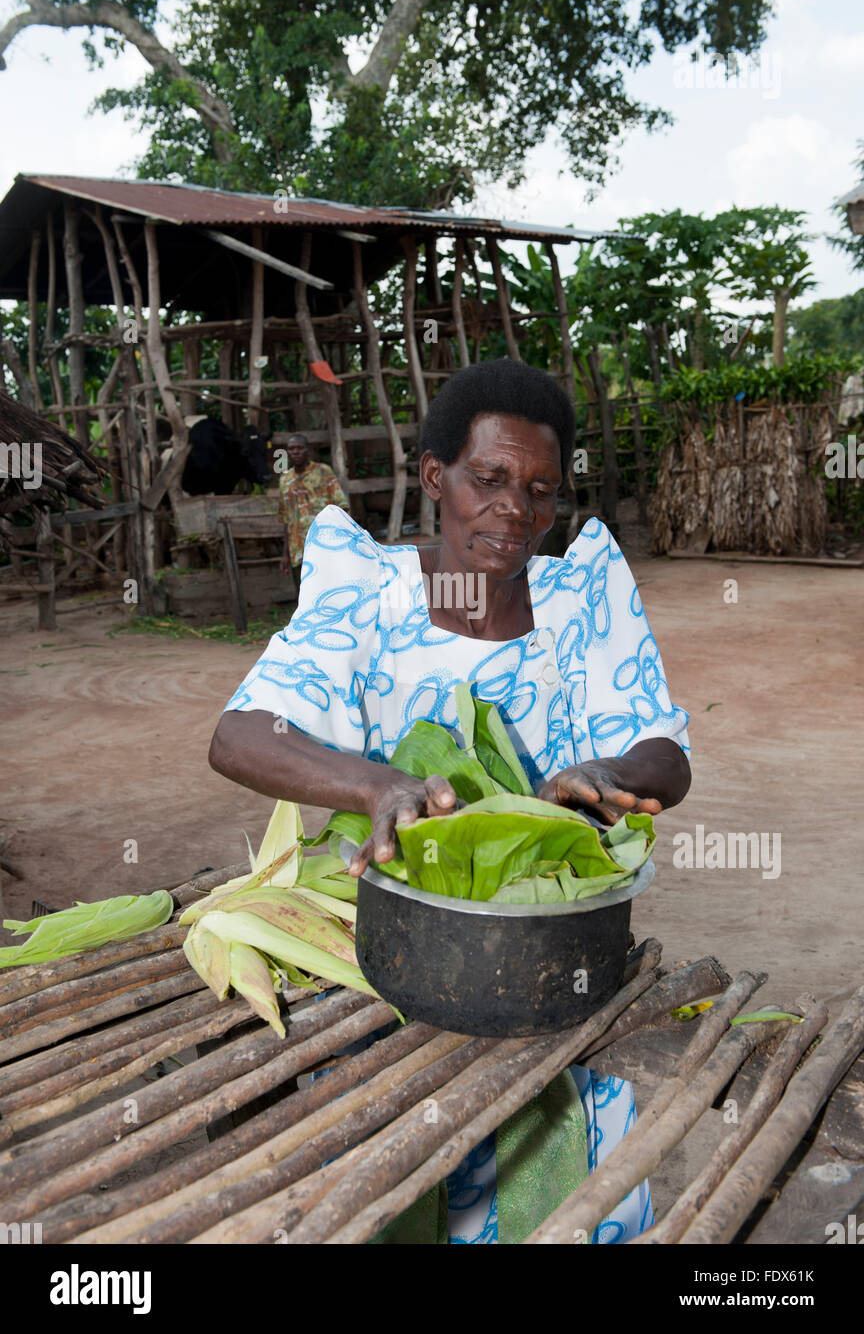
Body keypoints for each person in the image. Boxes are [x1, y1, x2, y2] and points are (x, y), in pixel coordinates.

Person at [210, 358, 691, 1244]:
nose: (517, 510)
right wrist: (376, 783)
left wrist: (608, 768)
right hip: (395, 960)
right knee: (382, 1201)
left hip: (555, 964)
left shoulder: (580, 597)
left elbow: (665, 752)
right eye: (491, 479)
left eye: (542, 489)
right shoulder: (368, 591)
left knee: (578, 1206)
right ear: (436, 477)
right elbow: (241, 736)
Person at [277, 433, 349, 590]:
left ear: (308, 450)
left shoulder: (323, 472)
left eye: (299, 448)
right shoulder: (284, 480)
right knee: (304, 597)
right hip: (298, 553)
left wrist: (342, 544)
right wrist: (285, 555)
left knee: (330, 592)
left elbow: (342, 508)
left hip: (325, 548)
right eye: (291, 449)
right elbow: (285, 519)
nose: (295, 452)